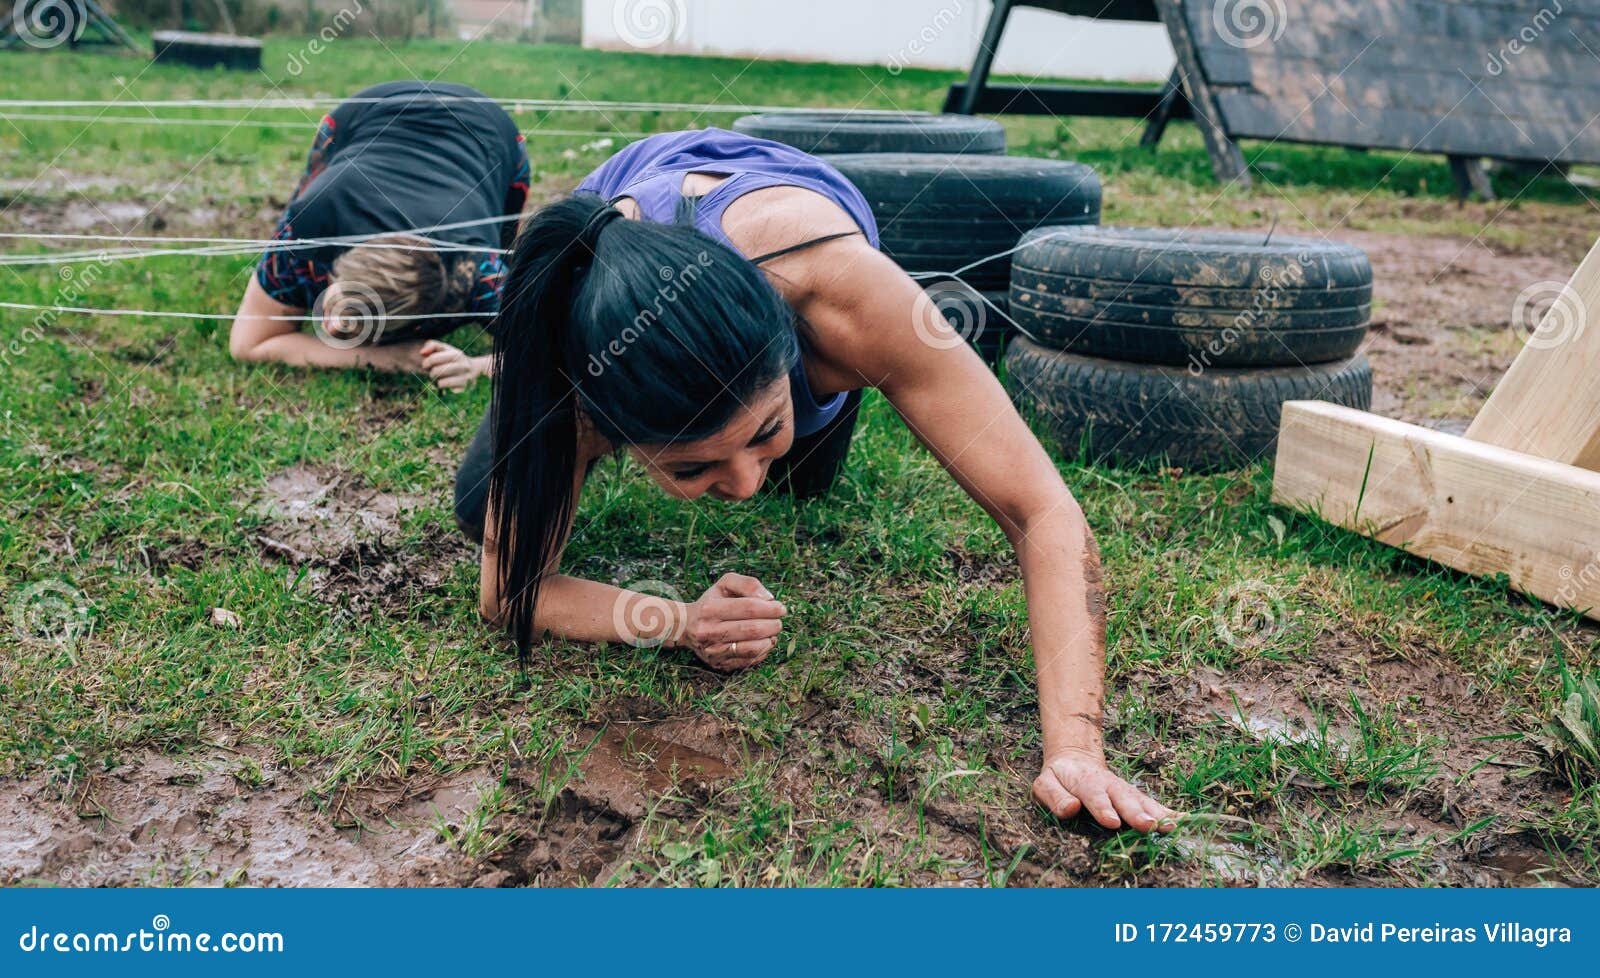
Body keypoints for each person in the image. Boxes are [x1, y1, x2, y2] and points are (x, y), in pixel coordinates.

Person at [455, 129, 1175, 833]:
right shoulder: (570, 376)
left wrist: (1075, 748)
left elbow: (1041, 509)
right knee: (475, 505)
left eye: (764, 430)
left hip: (791, 266)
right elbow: (508, 588)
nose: (741, 487)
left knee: (803, 483)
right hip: (605, 292)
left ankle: (743, 433)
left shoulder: (852, 305)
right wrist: (678, 623)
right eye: (689, 467)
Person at [229, 81, 529, 391]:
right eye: (337, 302)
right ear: (338, 268)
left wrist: (474, 366)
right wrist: (395, 357)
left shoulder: (475, 269)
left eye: (360, 322)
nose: (330, 328)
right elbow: (248, 344)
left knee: (507, 251)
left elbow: (558, 348)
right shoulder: (309, 227)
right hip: (369, 111)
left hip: (488, 131)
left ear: (420, 316)